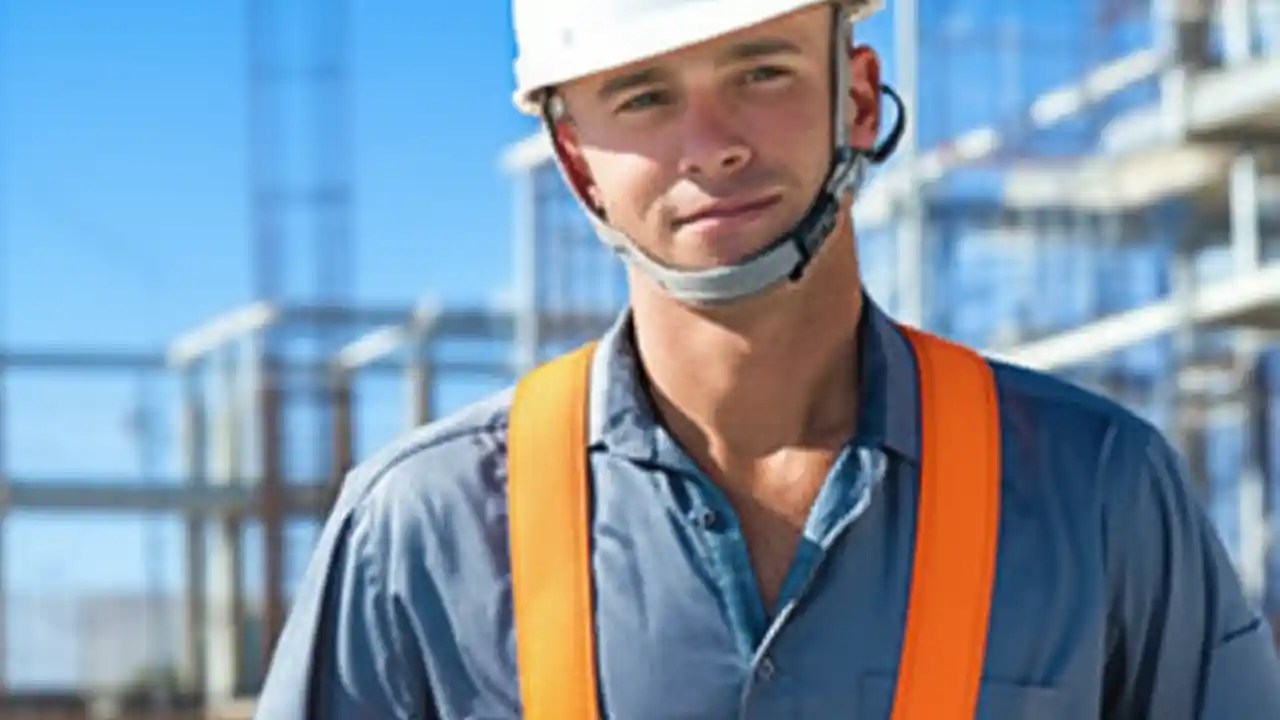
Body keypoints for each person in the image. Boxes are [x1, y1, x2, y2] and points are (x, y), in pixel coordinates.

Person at [254, 0, 1280, 717]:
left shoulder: (1093, 496)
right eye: (644, 96)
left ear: (857, 98)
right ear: (575, 162)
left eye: (760, 71)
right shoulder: (425, 532)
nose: (711, 143)